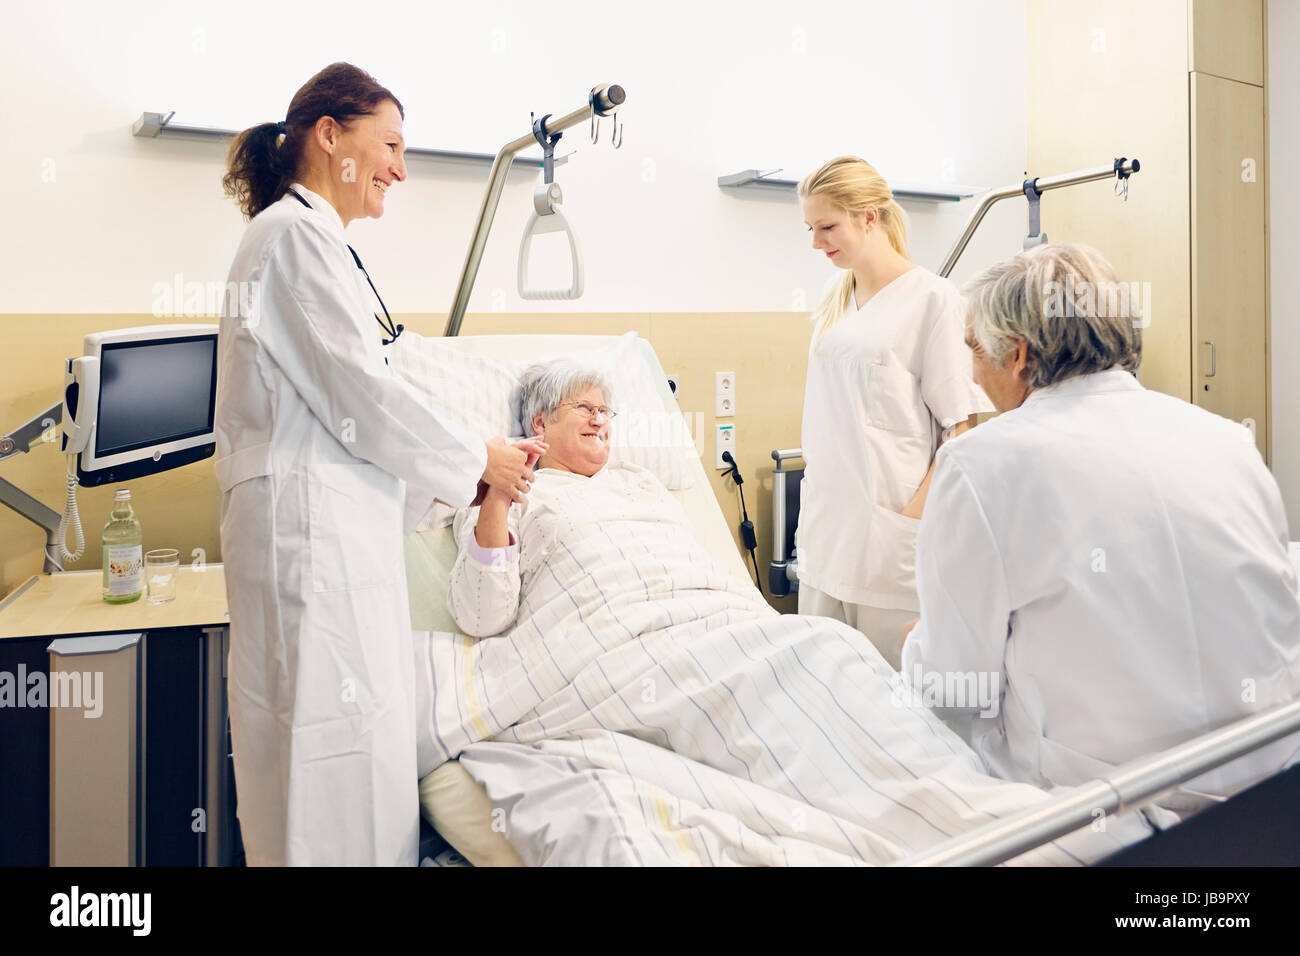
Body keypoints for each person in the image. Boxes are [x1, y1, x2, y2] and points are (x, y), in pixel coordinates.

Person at [215, 62, 542, 865]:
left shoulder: (315, 244)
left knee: (351, 757)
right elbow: (362, 394)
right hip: (308, 551)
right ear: (331, 136)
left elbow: (365, 388)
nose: (400, 167)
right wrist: (482, 460)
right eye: (390, 144)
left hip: (337, 543)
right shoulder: (292, 239)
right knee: (320, 766)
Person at [900, 242, 1300, 816]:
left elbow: (953, 688)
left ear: (1016, 355)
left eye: (973, 350)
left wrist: (915, 643)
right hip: (1270, 777)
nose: (970, 370)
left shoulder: (980, 462)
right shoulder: (1224, 438)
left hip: (1112, 800)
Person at [795, 156, 991, 668]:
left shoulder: (934, 300)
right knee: (822, 689)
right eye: (811, 229)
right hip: (827, 531)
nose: (817, 242)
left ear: (869, 216)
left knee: (894, 702)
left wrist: (908, 523)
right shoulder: (835, 298)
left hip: (891, 541)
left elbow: (960, 431)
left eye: (827, 226)